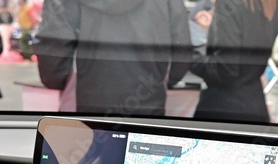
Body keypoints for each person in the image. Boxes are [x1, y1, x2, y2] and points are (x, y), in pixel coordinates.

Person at [35, 0, 193, 117]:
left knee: (86, 159)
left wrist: (59, 81)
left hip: (85, 101)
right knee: (140, 157)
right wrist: (164, 80)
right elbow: (182, 48)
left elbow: (53, 48)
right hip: (147, 99)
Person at [191, 0, 278, 123]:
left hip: (224, 109)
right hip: (254, 104)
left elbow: (225, 70)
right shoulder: (271, 4)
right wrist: (216, 27)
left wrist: (188, 57)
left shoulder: (230, 3)